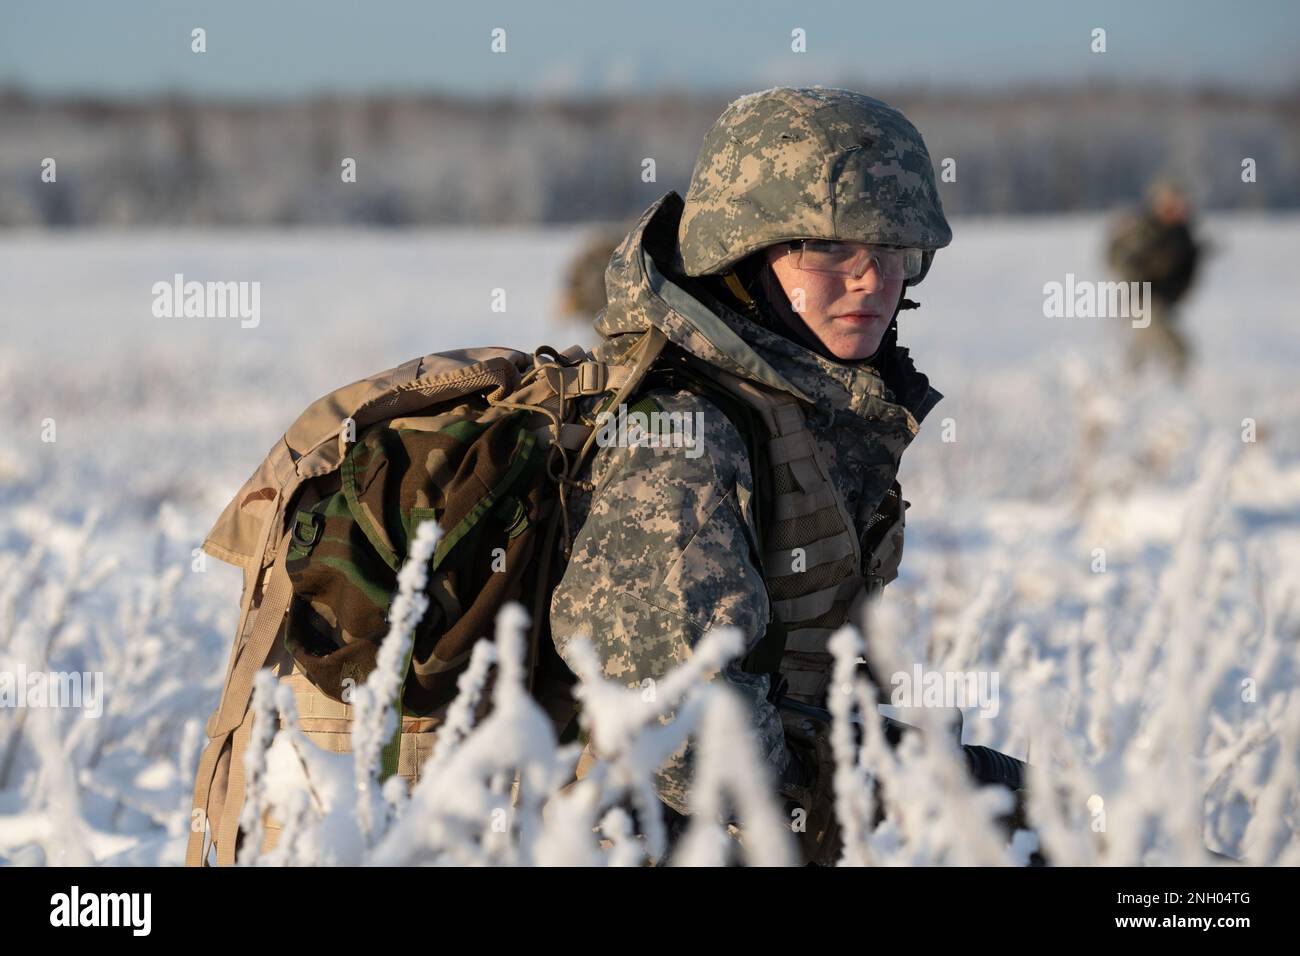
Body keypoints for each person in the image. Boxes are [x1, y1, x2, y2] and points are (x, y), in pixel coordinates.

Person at [547, 86, 951, 861]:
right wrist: (848, 792)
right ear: (743, 253)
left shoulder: (806, 407)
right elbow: (674, 721)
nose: (873, 279)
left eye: (895, 251)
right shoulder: (681, 437)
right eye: (831, 249)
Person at [1106, 179, 1204, 380]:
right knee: (1172, 345)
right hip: (1138, 299)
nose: (1175, 210)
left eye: (1178, 205)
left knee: (1144, 342)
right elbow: (1117, 258)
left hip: (1162, 300)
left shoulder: (1183, 236)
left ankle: (1129, 380)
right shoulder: (1143, 230)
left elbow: (1183, 274)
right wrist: (1136, 282)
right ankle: (1171, 378)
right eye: (1169, 205)